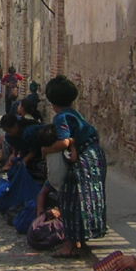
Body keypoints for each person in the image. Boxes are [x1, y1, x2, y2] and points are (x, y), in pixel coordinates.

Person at [42, 74, 106, 258]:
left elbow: (64, 142)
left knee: (70, 200)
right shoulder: (75, 113)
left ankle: (70, 244)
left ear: (51, 100)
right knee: (87, 200)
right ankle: (82, 241)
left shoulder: (61, 117)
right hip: (95, 157)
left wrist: (46, 150)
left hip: (84, 161)